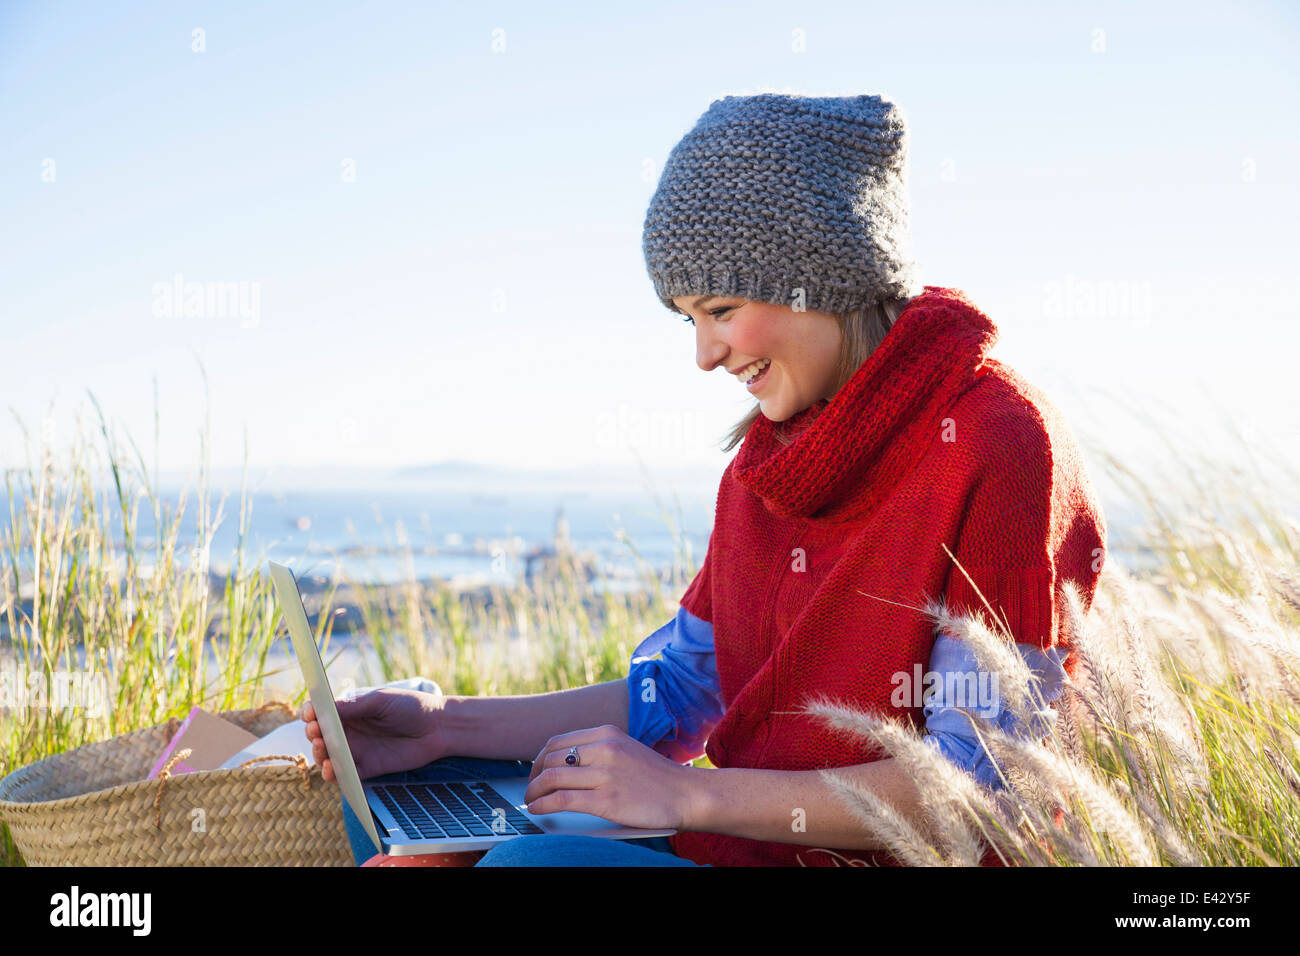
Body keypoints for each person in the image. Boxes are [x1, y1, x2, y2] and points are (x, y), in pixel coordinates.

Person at [304, 91, 1106, 867]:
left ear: (821, 279)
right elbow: (684, 692)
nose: (705, 354)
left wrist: (686, 799)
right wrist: (446, 727)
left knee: (525, 867)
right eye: (688, 318)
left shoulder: (997, 443)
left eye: (720, 309)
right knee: (386, 794)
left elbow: (982, 790)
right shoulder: (767, 466)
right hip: (734, 844)